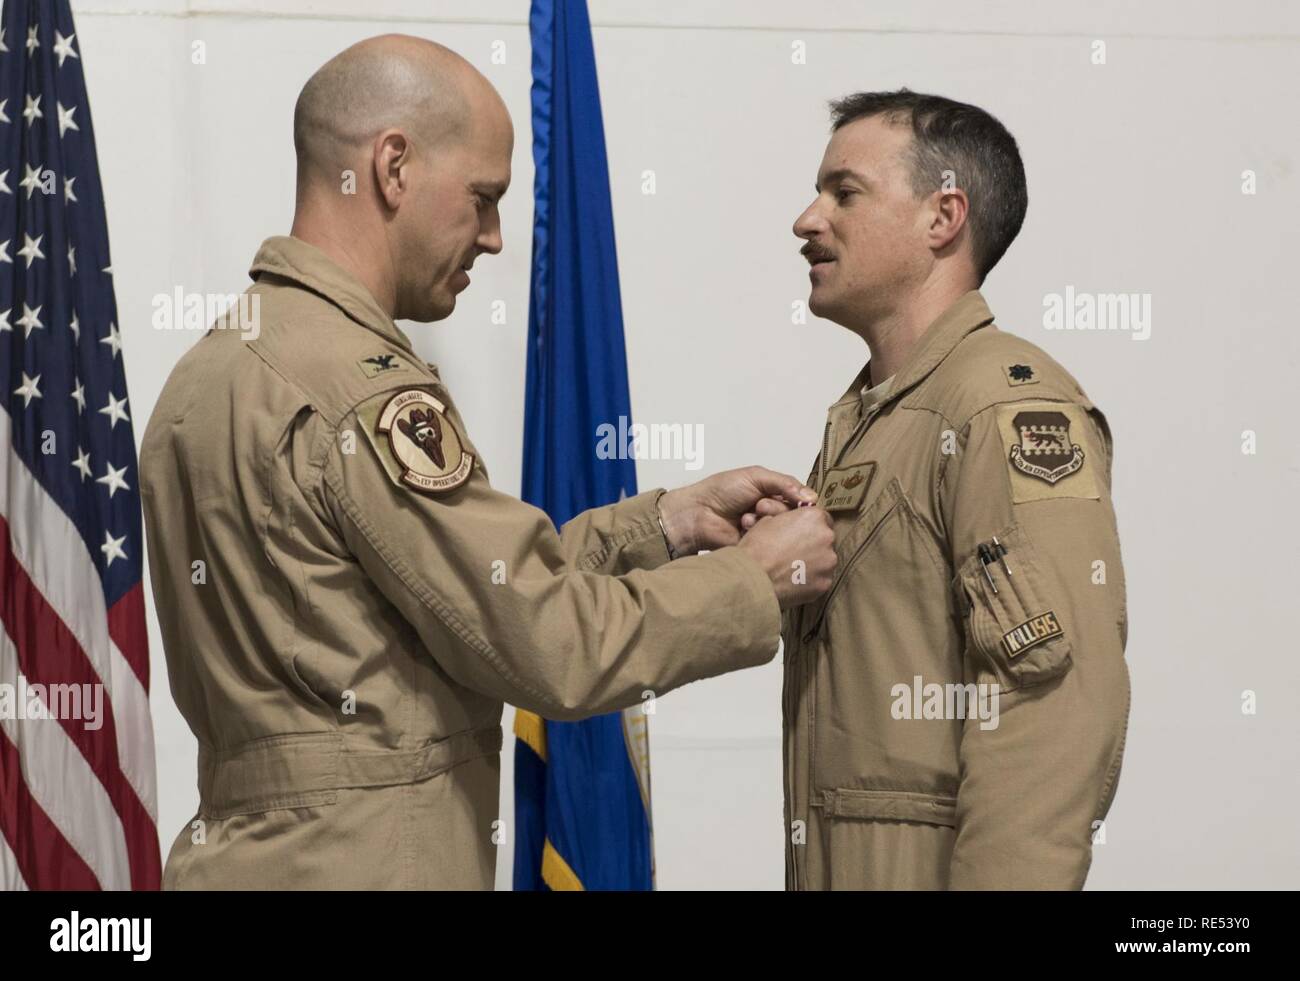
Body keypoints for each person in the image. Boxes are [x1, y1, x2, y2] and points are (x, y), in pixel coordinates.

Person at [139, 34, 836, 890]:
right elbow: (543, 639)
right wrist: (750, 582)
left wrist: (665, 524)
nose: (497, 237)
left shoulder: (210, 370)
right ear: (392, 167)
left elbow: (441, 594)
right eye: (483, 197)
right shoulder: (362, 389)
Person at [761, 89, 1129, 889]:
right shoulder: (883, 412)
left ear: (943, 217)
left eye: (843, 192)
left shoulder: (1004, 406)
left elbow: (1053, 716)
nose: (807, 220)